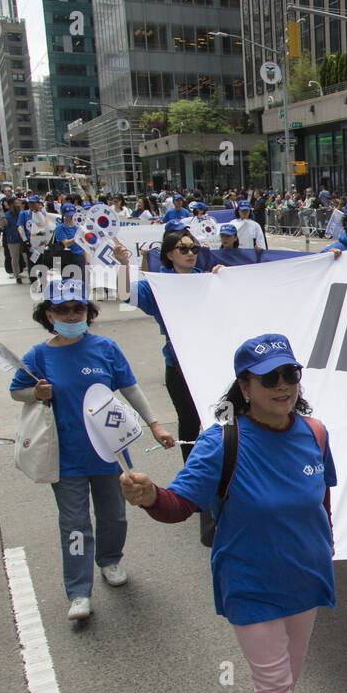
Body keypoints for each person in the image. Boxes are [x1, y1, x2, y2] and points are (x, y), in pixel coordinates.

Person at [120, 334, 337, 693]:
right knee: (273, 682)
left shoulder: (316, 432)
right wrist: (151, 495)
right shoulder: (222, 442)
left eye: (290, 375)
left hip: (305, 577)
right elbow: (180, 505)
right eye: (270, 378)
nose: (283, 386)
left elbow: (321, 500)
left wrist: (328, 548)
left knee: (291, 669)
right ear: (244, 385)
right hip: (250, 583)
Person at [9, 279, 175, 621]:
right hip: (66, 457)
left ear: (89, 311)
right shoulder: (37, 356)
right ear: (48, 315)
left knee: (114, 514)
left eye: (78, 308)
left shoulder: (106, 348)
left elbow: (130, 388)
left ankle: (110, 560)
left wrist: (155, 424)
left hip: (110, 452)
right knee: (74, 524)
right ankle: (78, 591)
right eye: (63, 310)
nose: (72, 315)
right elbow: (17, 391)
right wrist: (35, 394)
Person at [113, 230, 226, 541]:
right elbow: (126, 295)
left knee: (218, 427)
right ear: (169, 255)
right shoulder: (157, 286)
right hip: (180, 369)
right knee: (191, 427)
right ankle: (195, 488)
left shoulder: (208, 278)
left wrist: (223, 278)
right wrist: (123, 265)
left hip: (213, 366)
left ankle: (219, 484)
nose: (190, 253)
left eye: (193, 248)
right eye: (182, 248)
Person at [51, 203, 87, 281]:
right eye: (68, 215)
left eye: (72, 215)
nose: (70, 217)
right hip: (67, 258)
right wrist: (78, 236)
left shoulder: (79, 226)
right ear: (63, 215)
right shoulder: (60, 228)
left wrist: (87, 259)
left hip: (79, 257)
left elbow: (84, 244)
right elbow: (66, 243)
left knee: (82, 282)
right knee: (68, 283)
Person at [3, 195, 26, 284]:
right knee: (15, 258)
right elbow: (3, 226)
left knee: (26, 257)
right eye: (16, 203)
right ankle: (17, 276)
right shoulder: (7, 216)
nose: (18, 204)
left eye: (18, 203)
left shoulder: (22, 213)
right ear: (11, 205)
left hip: (24, 239)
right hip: (13, 239)